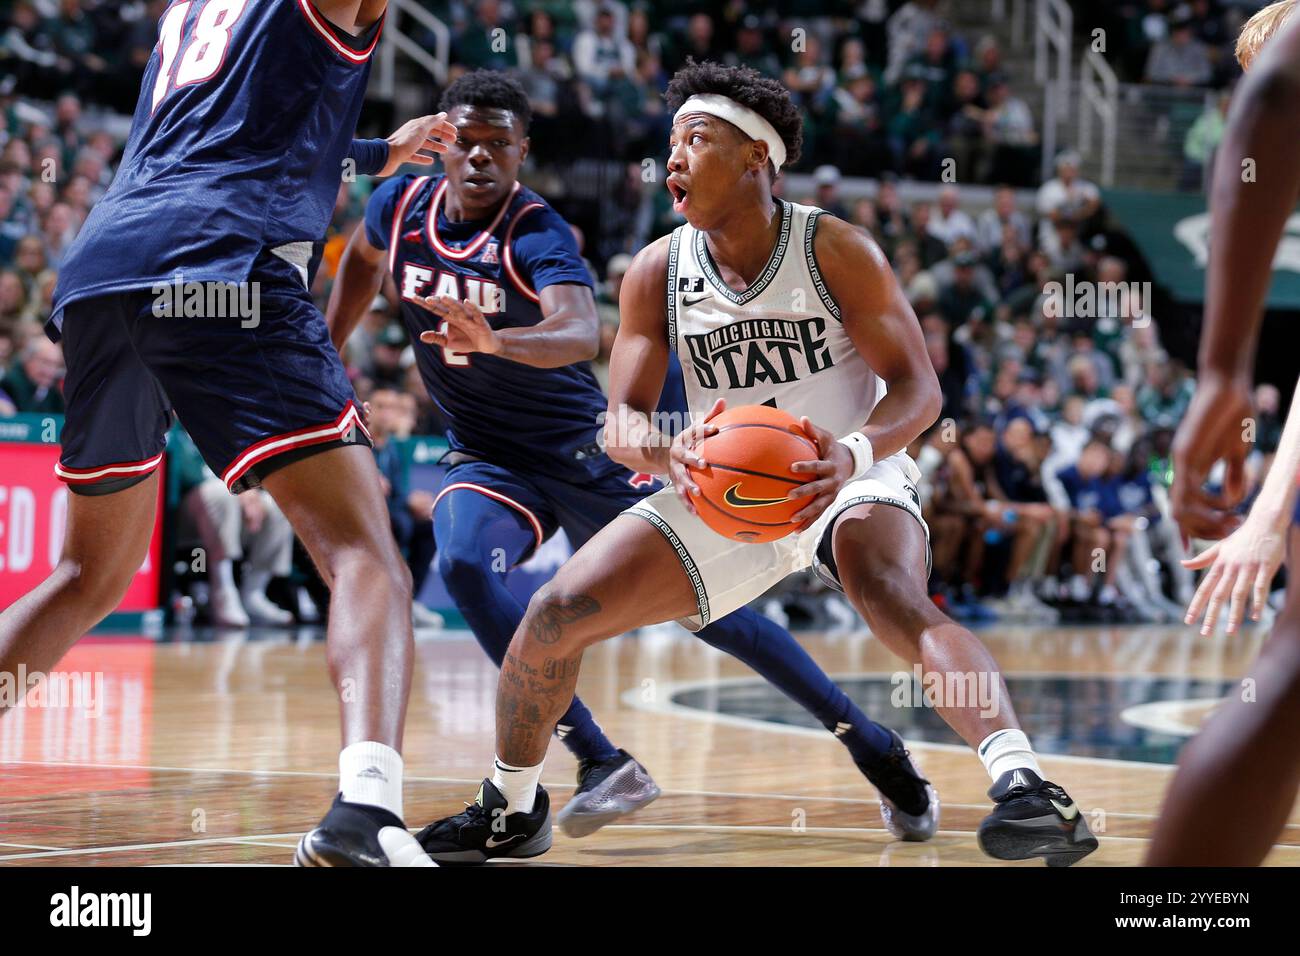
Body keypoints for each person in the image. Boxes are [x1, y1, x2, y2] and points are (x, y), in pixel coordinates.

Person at [415, 61, 1097, 867]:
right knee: (555, 614)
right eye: (671, 142)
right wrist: (666, 450)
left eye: (696, 140)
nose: (673, 158)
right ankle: (512, 806)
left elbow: (921, 390)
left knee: (889, 592)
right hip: (719, 484)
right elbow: (618, 423)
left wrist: (853, 455)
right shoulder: (658, 270)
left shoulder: (836, 249)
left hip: (847, 467)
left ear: (757, 161)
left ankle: (1026, 789)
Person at [328, 70, 936, 844]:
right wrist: (328, 355)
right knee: (466, 567)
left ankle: (866, 738)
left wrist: (497, 341)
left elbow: (582, 333)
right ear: (438, 142)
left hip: (578, 446)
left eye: (498, 146)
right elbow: (359, 264)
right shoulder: (397, 205)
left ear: (523, 153)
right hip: (484, 451)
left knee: (716, 617)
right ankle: (594, 758)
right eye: (465, 142)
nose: (479, 159)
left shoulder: (535, 230)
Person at [0, 0, 460, 868]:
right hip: (220, 261)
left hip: (105, 270)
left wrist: (376, 154)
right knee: (366, 556)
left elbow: (234, 123)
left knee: (85, 574)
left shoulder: (192, 8)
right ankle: (365, 809)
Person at [1147, 0, 1300, 867]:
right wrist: (1274, 512)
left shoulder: (1282, 84)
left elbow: (1276, 97)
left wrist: (1223, 370)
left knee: (1287, 679)